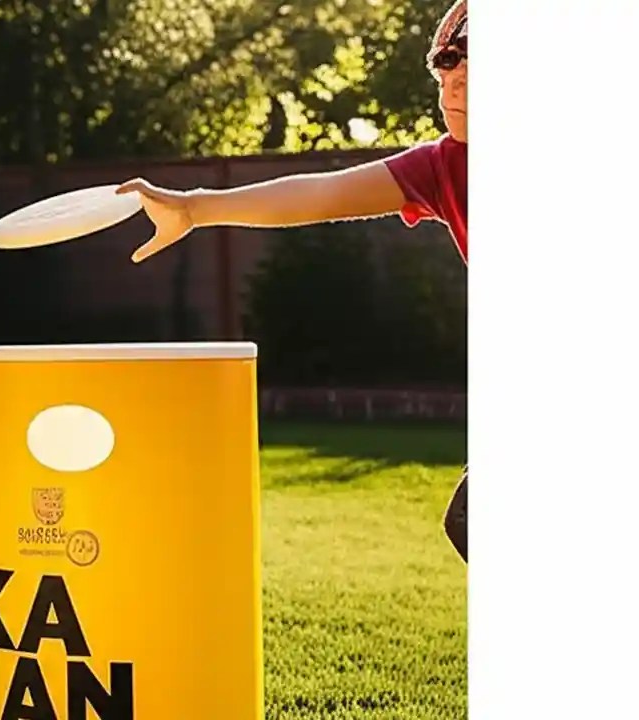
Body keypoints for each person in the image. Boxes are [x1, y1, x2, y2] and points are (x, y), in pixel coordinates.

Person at [117, 0, 468, 562]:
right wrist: (194, 207)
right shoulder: (444, 167)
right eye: (445, 73)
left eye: (471, 73)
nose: (452, 88)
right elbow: (321, 194)